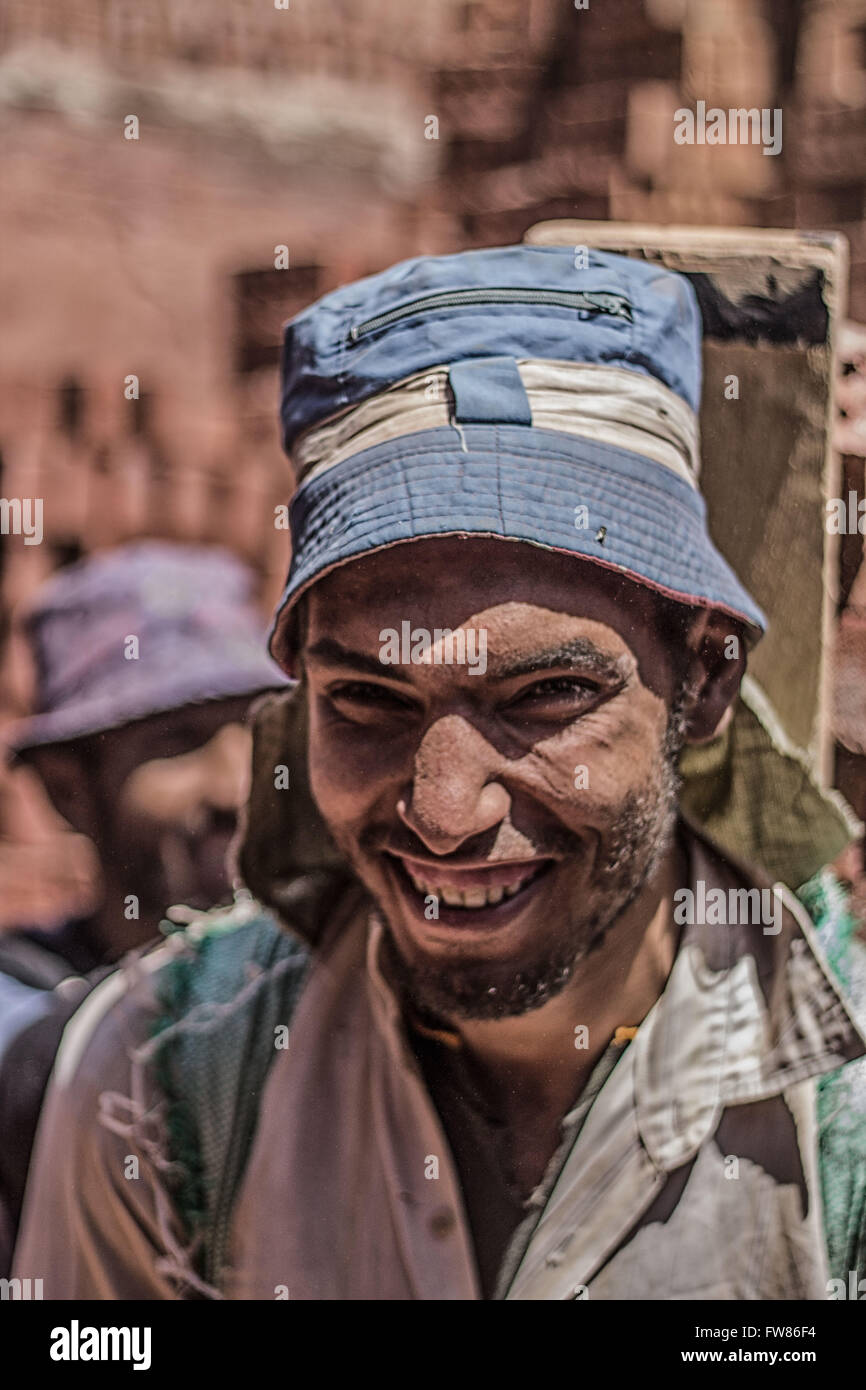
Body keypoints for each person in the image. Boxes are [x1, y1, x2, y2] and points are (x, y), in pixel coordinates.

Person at [13, 246, 866, 1300]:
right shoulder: (158, 1090)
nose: (446, 811)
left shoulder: (837, 1133)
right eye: (368, 700)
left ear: (700, 679)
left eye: (547, 694)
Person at [0, 540, 286, 1271]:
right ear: (69, 791)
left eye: (257, 732)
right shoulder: (24, 1014)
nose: (234, 788)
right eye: (179, 743)